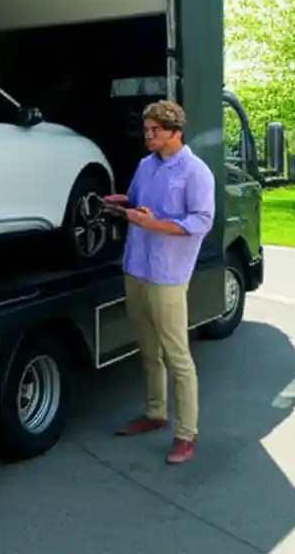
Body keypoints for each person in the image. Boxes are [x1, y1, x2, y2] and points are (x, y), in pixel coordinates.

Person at [105, 99, 215, 465]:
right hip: (136, 268)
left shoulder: (196, 172)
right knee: (148, 349)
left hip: (168, 275)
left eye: (155, 131)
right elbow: (137, 202)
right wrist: (121, 203)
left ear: (175, 132)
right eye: (146, 130)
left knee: (177, 356)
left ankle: (186, 434)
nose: (147, 136)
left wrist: (155, 223)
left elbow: (201, 222)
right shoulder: (145, 166)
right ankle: (155, 413)